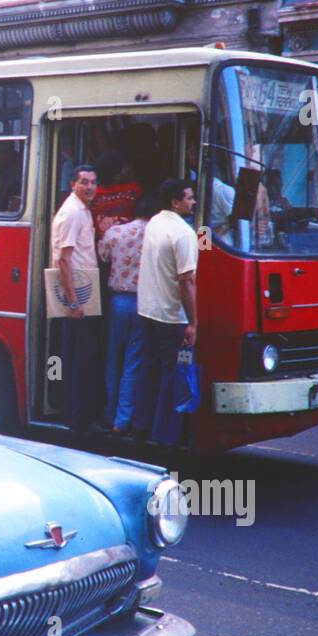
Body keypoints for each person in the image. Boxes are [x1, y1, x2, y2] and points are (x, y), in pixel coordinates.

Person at [134, 178, 199, 446]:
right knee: (171, 375)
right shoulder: (184, 234)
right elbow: (187, 281)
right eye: (189, 197)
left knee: (147, 370)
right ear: (175, 201)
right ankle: (164, 436)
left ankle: (141, 426)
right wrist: (193, 322)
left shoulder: (155, 223)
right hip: (172, 315)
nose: (193, 202)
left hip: (147, 309)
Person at [98, 195, 156, 435]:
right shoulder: (156, 236)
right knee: (134, 362)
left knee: (113, 358)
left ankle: (109, 413)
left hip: (117, 302)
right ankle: (123, 420)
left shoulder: (116, 232)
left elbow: (102, 256)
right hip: (143, 302)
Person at [51, 164, 100, 434]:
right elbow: (64, 260)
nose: (89, 187)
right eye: (84, 182)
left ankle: (75, 414)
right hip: (77, 296)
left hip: (83, 292)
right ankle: (75, 418)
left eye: (93, 182)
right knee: (77, 359)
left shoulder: (83, 210)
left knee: (79, 357)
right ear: (73, 184)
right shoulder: (72, 213)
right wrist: (73, 302)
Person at [91, 150, 143, 236]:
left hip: (100, 245)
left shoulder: (92, 194)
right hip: (127, 245)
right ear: (117, 175)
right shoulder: (133, 190)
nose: (126, 170)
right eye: (124, 168)